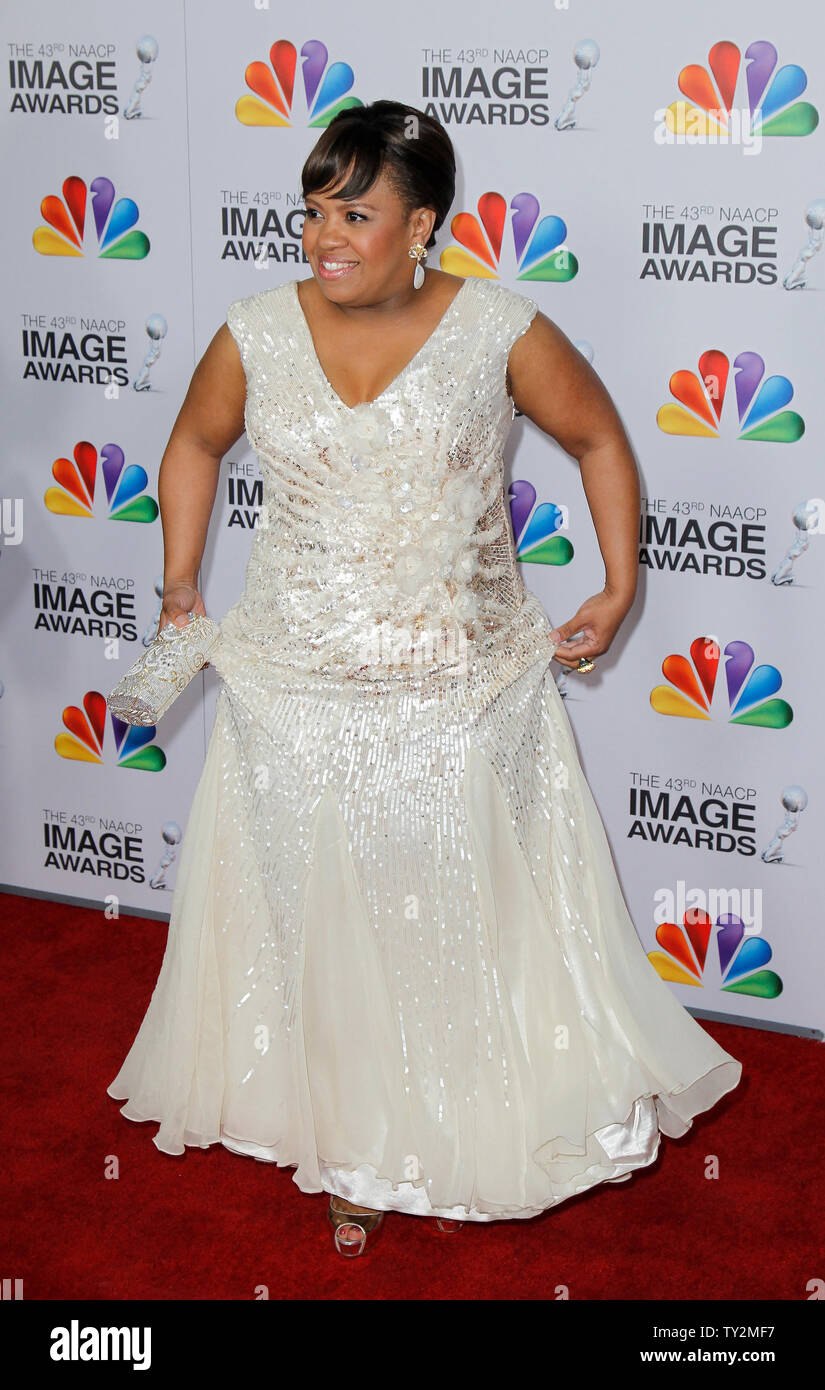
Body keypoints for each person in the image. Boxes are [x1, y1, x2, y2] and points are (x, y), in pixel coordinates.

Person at [108, 100, 742, 1258]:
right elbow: (194, 443)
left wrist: (619, 583)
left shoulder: (498, 326)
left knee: (453, 920)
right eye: (314, 212)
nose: (326, 236)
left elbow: (602, 438)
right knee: (322, 924)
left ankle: (475, 1103)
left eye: (356, 211)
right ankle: (353, 1141)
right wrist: (180, 583)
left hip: (461, 691)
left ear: (423, 224)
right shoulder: (255, 330)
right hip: (294, 693)